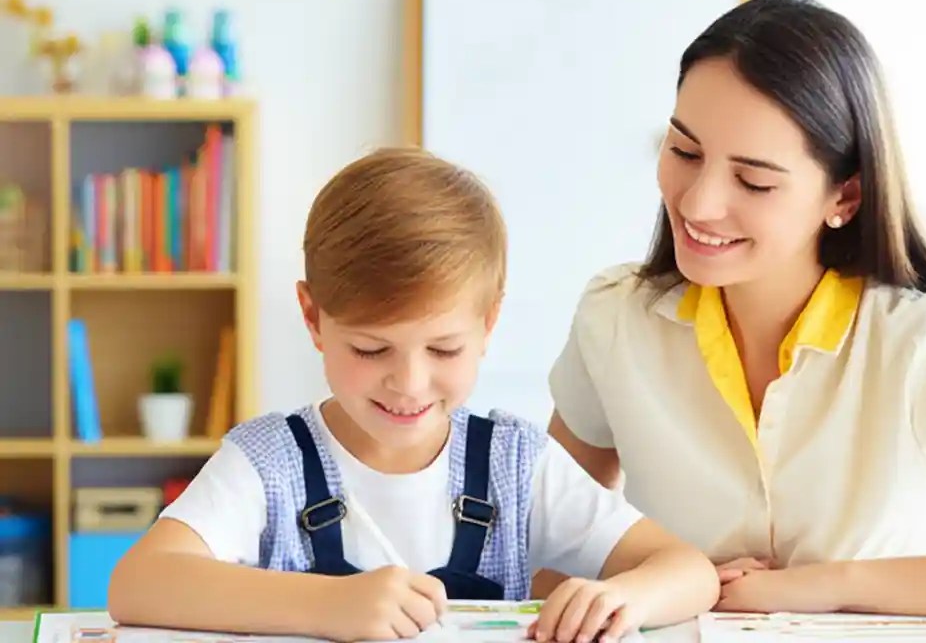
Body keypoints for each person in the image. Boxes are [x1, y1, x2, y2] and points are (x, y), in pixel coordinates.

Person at [544, 0, 926, 620]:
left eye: (753, 180)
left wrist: (823, 585)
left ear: (846, 197)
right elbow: (550, 547)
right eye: (685, 152)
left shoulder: (923, 346)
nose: (697, 204)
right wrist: (658, 585)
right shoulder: (614, 320)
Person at [108, 149, 719, 643]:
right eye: (372, 351)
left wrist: (620, 596)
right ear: (313, 319)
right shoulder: (270, 462)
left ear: (487, 325)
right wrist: (328, 606)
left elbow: (689, 572)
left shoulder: (513, 464)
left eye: (444, 350)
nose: (409, 383)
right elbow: (138, 585)